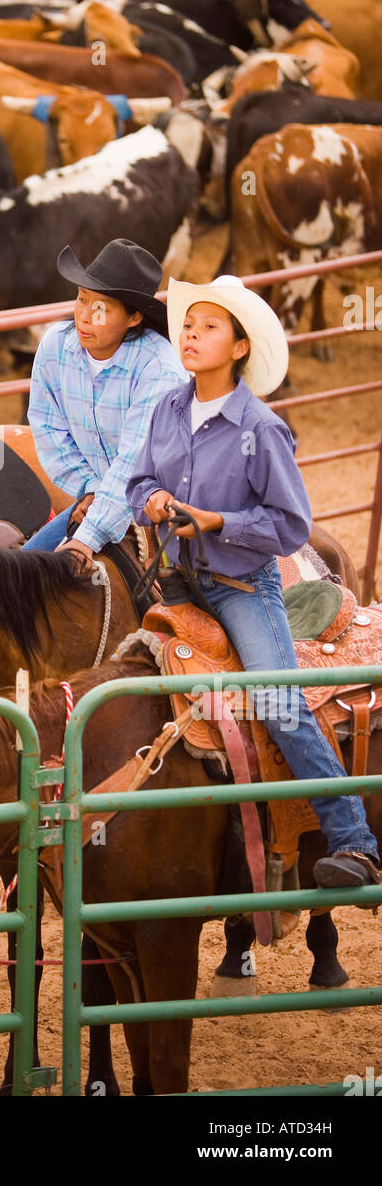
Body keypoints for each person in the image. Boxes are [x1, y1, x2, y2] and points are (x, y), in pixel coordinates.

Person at [127, 273, 380, 891]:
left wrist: (217, 523)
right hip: (171, 582)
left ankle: (355, 842)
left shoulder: (260, 428)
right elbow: (136, 485)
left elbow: (291, 525)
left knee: (278, 701)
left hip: (239, 587)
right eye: (188, 325)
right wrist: (154, 499)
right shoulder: (167, 408)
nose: (191, 335)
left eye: (209, 327)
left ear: (239, 348)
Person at [22, 238, 187, 570]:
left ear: (133, 317)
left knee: (191, 605)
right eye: (82, 299)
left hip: (163, 507)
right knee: (19, 575)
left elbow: (134, 462)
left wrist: (87, 536)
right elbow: (48, 428)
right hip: (95, 497)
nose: (84, 316)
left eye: (101, 308)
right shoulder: (55, 347)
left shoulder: (160, 369)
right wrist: (92, 488)